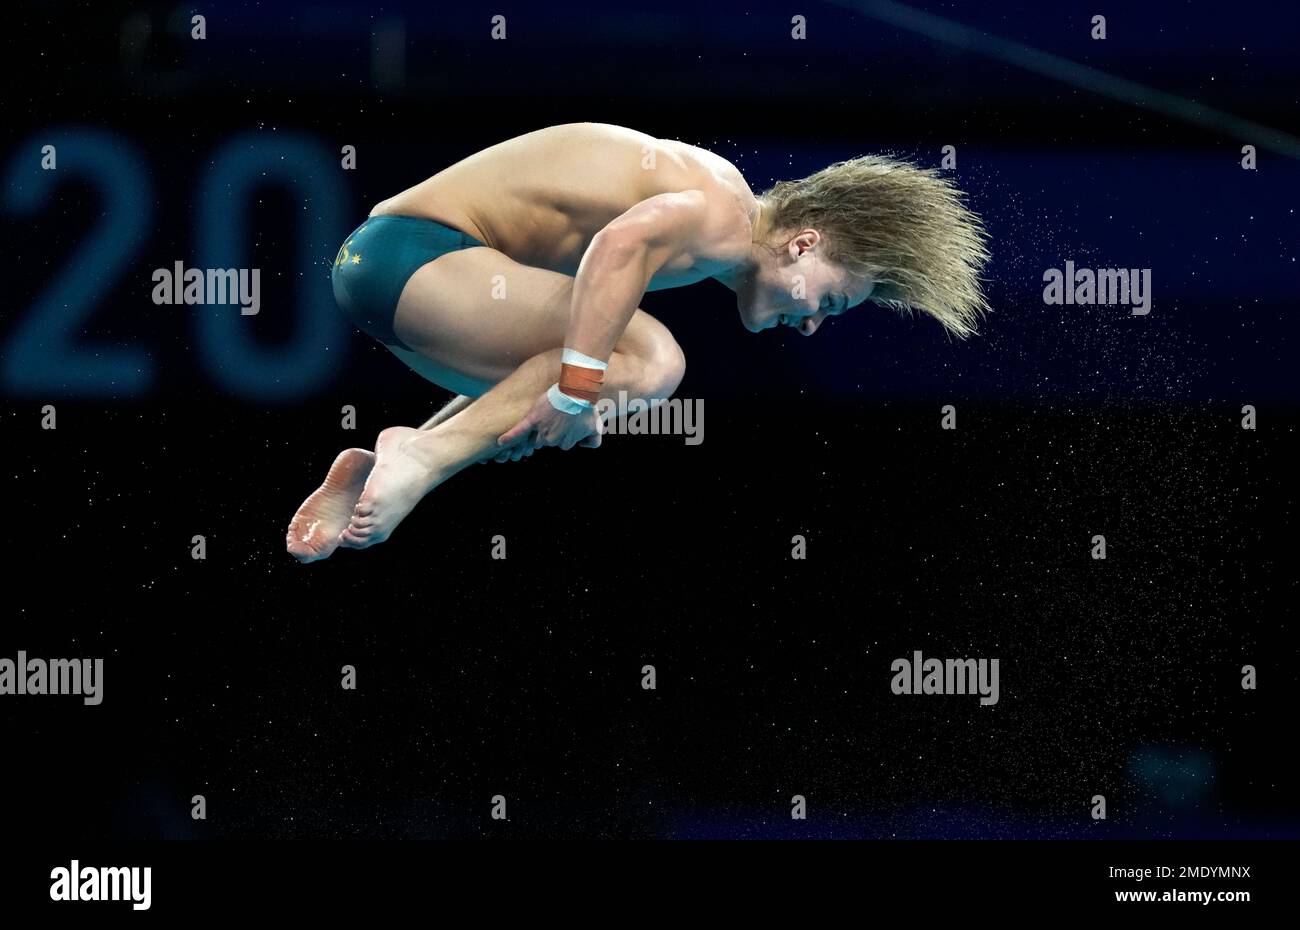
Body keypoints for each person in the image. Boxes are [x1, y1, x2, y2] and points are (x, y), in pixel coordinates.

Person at [286, 122, 989, 561]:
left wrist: (570, 391)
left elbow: (568, 317)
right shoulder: (723, 211)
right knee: (653, 360)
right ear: (803, 243)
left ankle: (413, 451)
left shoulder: (714, 231)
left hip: (389, 276)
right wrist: (580, 388)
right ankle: (420, 456)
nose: (810, 324)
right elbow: (619, 244)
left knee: (594, 366)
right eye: (828, 301)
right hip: (413, 258)